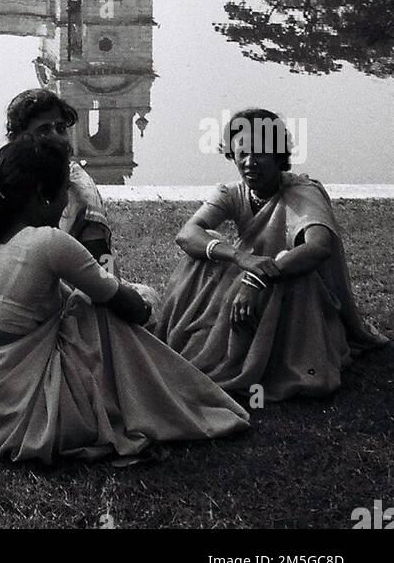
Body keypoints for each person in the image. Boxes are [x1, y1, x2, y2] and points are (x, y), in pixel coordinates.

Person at [0, 133, 249, 464]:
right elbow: (127, 306)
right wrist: (147, 306)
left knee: (81, 302)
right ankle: (165, 400)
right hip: (11, 421)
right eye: (64, 193)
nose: (66, 204)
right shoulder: (48, 242)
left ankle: (156, 391)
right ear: (44, 196)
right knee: (99, 310)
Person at [155, 110, 387, 401]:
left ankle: (264, 360)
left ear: (279, 155)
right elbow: (187, 234)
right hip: (251, 276)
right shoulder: (233, 192)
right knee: (205, 250)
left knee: (293, 271)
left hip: (293, 291)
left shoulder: (302, 191)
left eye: (260, 154)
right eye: (242, 153)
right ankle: (215, 344)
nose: (250, 163)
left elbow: (318, 247)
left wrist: (255, 280)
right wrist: (240, 258)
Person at [0, 90, 117, 352]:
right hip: (12, 322)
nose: (55, 137)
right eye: (43, 130)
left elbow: (104, 264)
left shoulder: (73, 187)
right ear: (17, 139)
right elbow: (108, 280)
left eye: (60, 128)